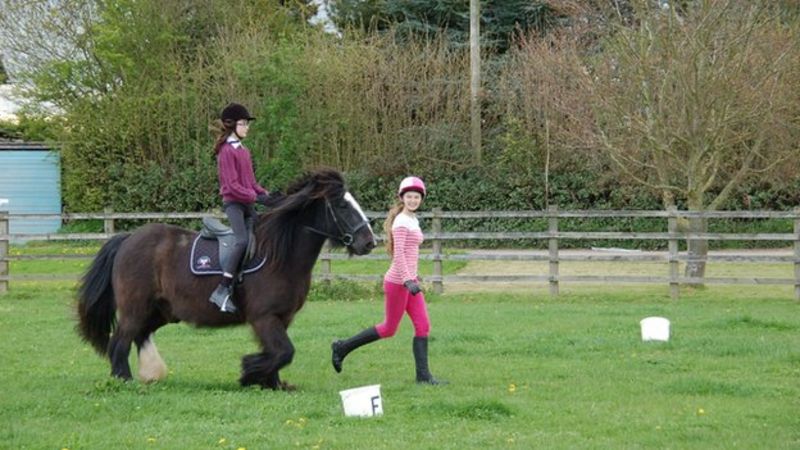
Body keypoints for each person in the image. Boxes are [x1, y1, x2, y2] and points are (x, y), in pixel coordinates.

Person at [331, 176, 445, 384]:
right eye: (409, 196)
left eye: (416, 197)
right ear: (403, 198)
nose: (413, 200)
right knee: (389, 328)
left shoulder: (413, 219)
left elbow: (410, 253)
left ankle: (423, 377)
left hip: (409, 282)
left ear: (421, 199)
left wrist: (413, 276)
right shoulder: (401, 221)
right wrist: (406, 279)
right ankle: (342, 347)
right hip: (398, 283)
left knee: (423, 325)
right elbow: (399, 253)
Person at [208, 102, 270, 313]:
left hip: (247, 203)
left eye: (246, 124)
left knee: (264, 233)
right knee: (242, 240)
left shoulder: (244, 151)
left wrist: (267, 196)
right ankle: (222, 289)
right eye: (243, 124)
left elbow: (251, 183)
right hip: (233, 204)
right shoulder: (226, 151)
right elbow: (232, 186)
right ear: (233, 125)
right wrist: (255, 197)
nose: (247, 127)